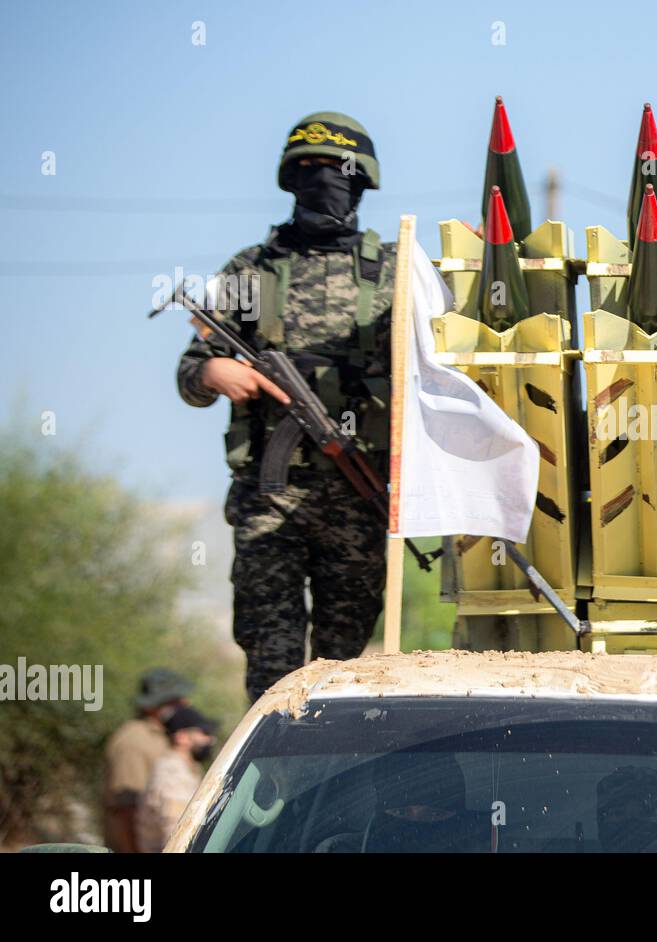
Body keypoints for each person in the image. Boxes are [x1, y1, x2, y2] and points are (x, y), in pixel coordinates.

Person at [175, 113, 396, 702]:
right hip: (269, 500)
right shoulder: (251, 271)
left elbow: (435, 369)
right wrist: (216, 372)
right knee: (270, 657)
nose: (321, 181)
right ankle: (277, 781)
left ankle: (337, 777)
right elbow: (190, 372)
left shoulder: (396, 271)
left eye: (334, 170)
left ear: (361, 181)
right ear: (288, 179)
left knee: (343, 666)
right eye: (307, 169)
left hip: (359, 491)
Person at [102, 667, 192, 852]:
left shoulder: (163, 737)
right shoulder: (134, 741)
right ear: (155, 705)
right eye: (176, 700)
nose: (185, 703)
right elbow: (126, 809)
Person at [136, 705, 217, 853]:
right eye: (204, 733)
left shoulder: (188, 768)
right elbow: (178, 836)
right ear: (182, 737)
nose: (211, 740)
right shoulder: (172, 775)